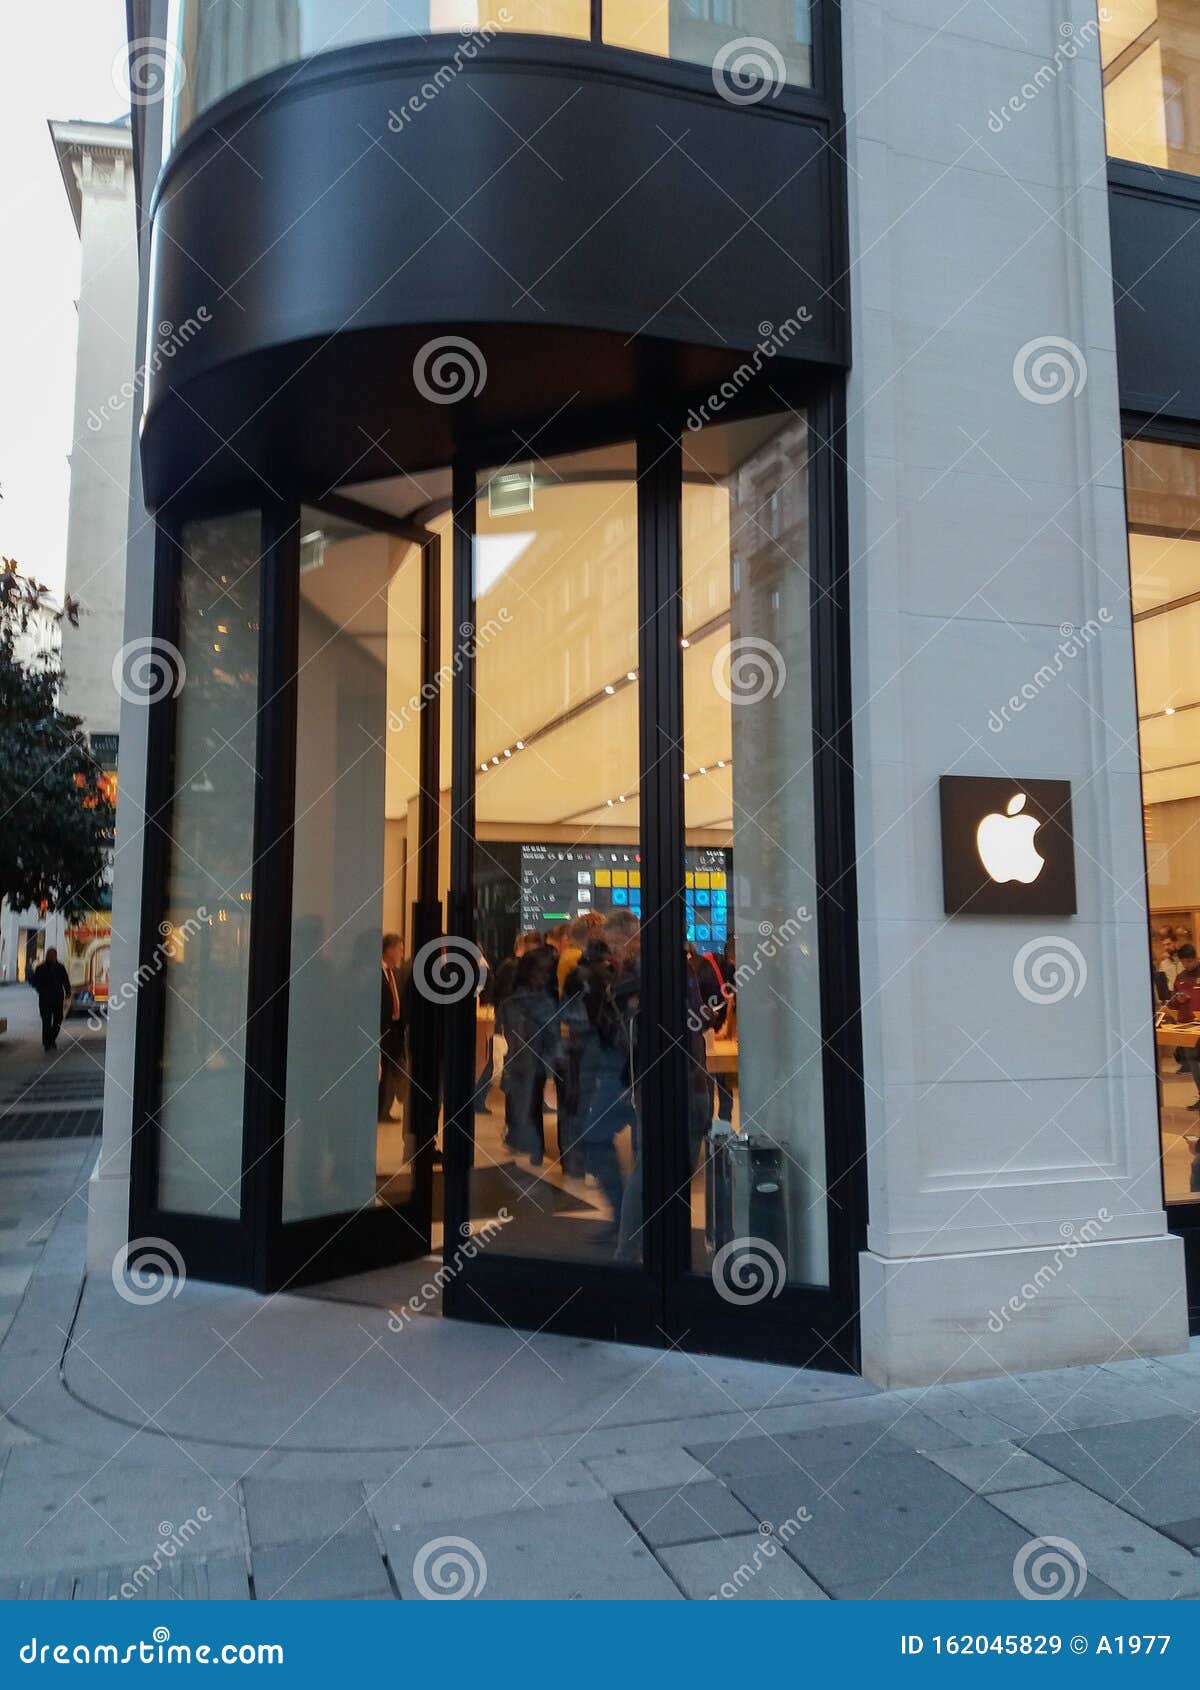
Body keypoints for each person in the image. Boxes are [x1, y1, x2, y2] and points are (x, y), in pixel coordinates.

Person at [499, 945, 562, 1167]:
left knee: (527, 1102)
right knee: (527, 1102)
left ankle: (529, 1145)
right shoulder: (537, 1000)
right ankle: (530, 1145)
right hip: (528, 1059)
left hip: (526, 1059)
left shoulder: (517, 1000)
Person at [379, 933, 409, 1125]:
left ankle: (385, 1109)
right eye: (399, 949)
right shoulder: (377, 973)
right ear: (389, 950)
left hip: (396, 1030)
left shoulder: (396, 973)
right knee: (386, 1073)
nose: (401, 953)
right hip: (382, 1029)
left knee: (395, 1071)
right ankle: (381, 1110)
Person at [1167, 944, 1200, 1111]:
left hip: (1199, 1025)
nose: (1187, 965)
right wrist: (1178, 1000)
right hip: (1186, 1026)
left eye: (1190, 961)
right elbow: (1171, 1002)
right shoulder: (1180, 977)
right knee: (1194, 1064)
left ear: (1196, 957)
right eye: (1184, 962)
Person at [30, 948, 71, 1053]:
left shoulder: (60, 967)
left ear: (56, 956)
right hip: (45, 999)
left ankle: (51, 1039)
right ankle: (47, 1043)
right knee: (46, 1022)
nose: (52, 957)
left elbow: (65, 980)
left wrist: (68, 992)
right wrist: (41, 990)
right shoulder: (41, 968)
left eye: (53, 955)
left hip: (57, 998)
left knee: (58, 1020)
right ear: (47, 956)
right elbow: (35, 982)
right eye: (50, 955)